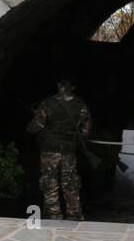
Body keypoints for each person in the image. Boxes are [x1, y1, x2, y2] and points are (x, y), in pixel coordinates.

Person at [27, 76, 92, 221]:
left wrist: (30, 128)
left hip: (49, 150)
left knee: (50, 182)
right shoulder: (80, 105)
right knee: (70, 182)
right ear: (73, 87)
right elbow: (86, 131)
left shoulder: (48, 104)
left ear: (58, 86)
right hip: (69, 150)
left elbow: (36, 126)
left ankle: (53, 214)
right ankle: (74, 214)